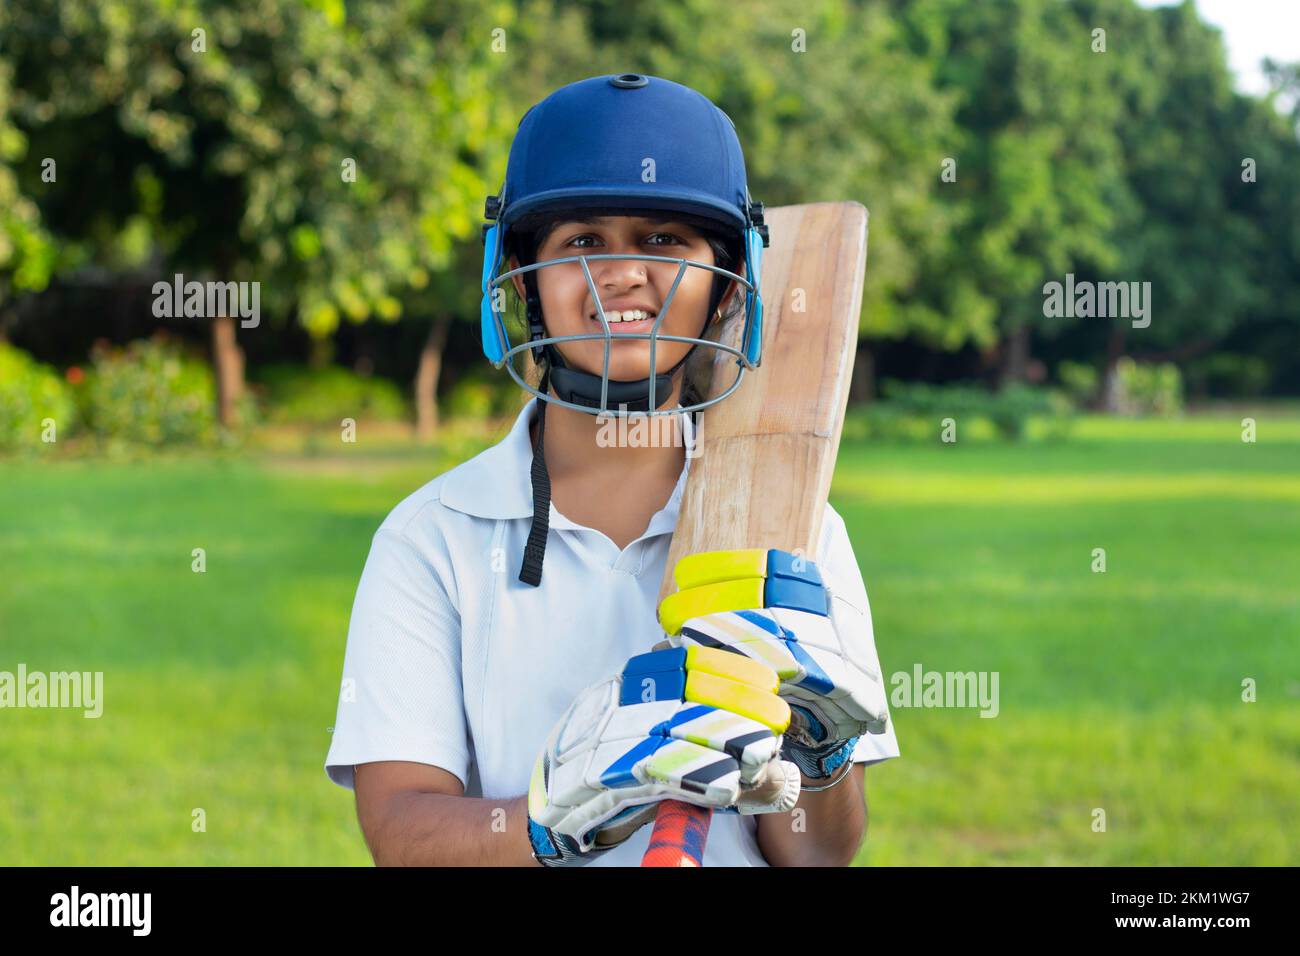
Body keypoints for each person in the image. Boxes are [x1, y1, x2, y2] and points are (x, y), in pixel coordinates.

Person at [325, 73, 900, 867]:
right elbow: (401, 836)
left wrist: (819, 748)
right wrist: (564, 813)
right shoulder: (434, 538)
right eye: (583, 242)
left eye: (665, 239)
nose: (624, 273)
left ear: (727, 285)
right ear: (524, 281)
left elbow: (818, 856)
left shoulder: (800, 530)